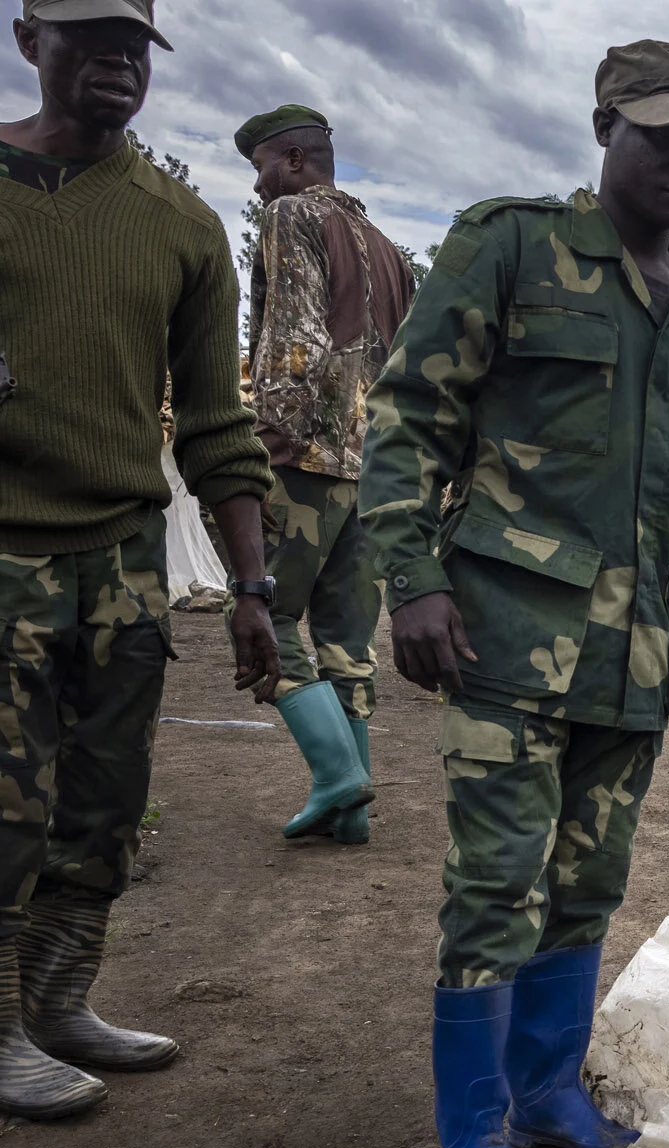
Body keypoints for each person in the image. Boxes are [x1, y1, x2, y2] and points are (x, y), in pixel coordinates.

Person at [0, 0, 278, 1121]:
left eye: (136, 48)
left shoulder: (179, 221)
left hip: (124, 559)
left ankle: (56, 1001)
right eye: (90, 44)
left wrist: (252, 587)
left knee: (102, 801)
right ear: (31, 43)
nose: (118, 66)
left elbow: (219, 425)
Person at [359, 40, 669, 1148]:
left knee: (586, 883)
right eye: (665, 136)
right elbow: (408, 417)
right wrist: (412, 578)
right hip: (505, 636)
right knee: (496, 888)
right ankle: (473, 1139)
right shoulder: (511, 247)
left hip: (630, 665)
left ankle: (543, 1094)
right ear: (604, 127)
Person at [234, 103, 417, 844]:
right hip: (373, 474)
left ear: (294, 162)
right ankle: (351, 816)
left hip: (304, 461)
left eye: (261, 170)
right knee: (347, 638)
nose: (258, 190)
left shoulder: (291, 220)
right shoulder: (389, 249)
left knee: (264, 615)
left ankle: (338, 774)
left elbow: (294, 347)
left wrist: (267, 444)